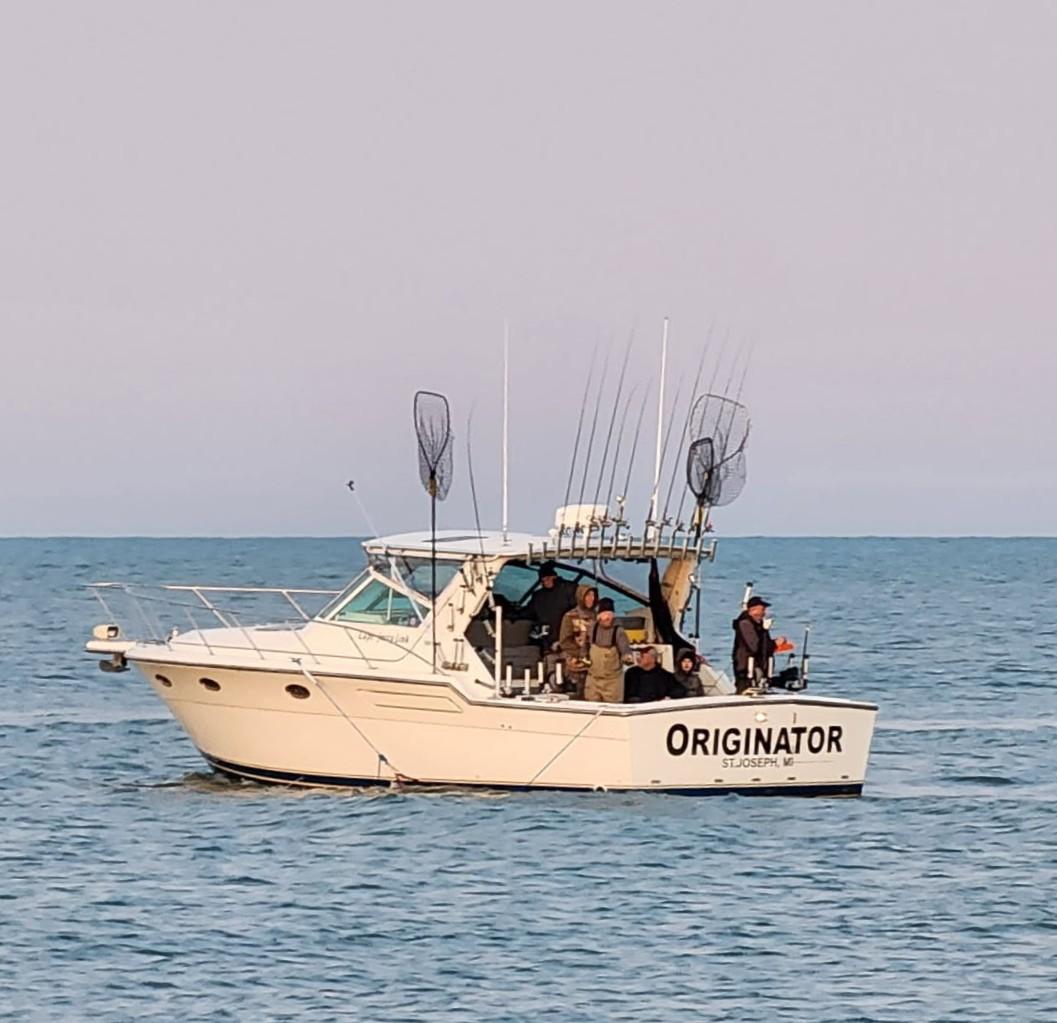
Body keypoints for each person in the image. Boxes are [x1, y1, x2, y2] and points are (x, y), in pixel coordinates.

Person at [731, 596, 785, 693]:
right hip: (747, 669)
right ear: (752, 610)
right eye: (762, 610)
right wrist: (774, 644)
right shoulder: (745, 624)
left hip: (758, 667)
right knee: (745, 691)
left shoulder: (758, 625)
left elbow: (763, 645)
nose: (764, 613)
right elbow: (754, 647)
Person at [584, 597, 632, 703]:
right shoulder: (592, 628)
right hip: (593, 680)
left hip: (612, 682)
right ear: (599, 616)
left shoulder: (618, 631)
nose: (608, 618)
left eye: (610, 615)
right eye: (605, 615)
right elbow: (586, 645)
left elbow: (625, 648)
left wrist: (627, 656)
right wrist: (583, 657)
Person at [556, 585, 597, 697]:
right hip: (578, 666)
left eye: (593, 595)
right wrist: (583, 654)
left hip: (597, 666)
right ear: (580, 597)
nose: (591, 598)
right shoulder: (570, 616)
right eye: (588, 595)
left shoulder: (597, 615)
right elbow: (565, 641)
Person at [527, 561, 578, 652]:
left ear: (554, 577)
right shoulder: (538, 596)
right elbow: (529, 612)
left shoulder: (570, 589)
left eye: (548, 578)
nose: (546, 582)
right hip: (546, 638)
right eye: (543, 580)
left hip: (568, 636)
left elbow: (578, 612)